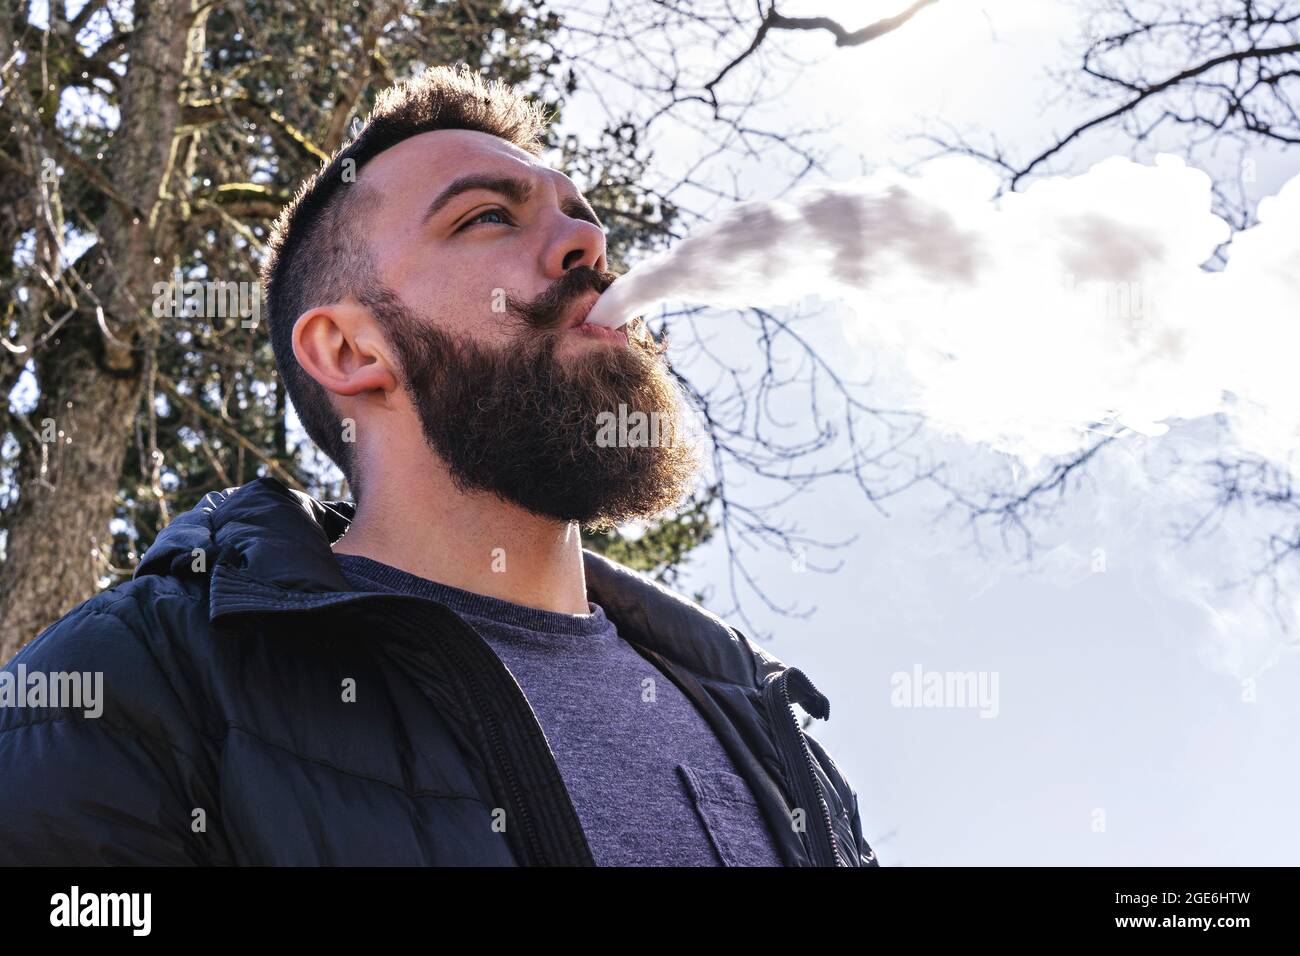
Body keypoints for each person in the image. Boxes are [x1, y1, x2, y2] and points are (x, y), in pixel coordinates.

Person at [0, 64, 876, 867]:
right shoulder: (138, 681)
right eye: (488, 216)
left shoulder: (766, 725)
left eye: (580, 214)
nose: (588, 245)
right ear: (348, 348)